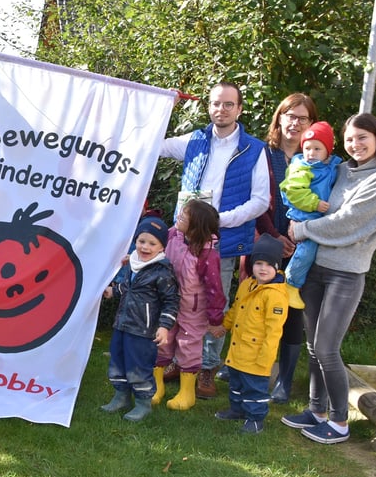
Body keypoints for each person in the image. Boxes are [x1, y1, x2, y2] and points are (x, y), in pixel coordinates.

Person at [281, 113, 376, 445]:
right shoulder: (341, 171)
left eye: (362, 137)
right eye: (350, 139)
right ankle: (316, 410)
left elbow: (348, 223)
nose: (356, 144)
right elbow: (312, 185)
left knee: (327, 348)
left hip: (345, 274)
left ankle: (339, 422)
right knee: (313, 346)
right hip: (315, 269)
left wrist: (303, 230)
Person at [159, 82, 270, 399]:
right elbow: (153, 145)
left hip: (224, 239)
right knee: (178, 300)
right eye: (215, 104)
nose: (221, 109)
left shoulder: (253, 149)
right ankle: (181, 361)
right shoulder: (194, 140)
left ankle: (206, 368)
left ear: (239, 109)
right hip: (183, 241)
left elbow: (261, 201)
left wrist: (221, 220)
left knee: (211, 304)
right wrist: (165, 105)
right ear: (208, 106)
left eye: (228, 104)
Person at [259, 93, 318, 404]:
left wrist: (298, 237)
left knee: (293, 312)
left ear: (311, 124)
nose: (295, 122)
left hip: (302, 246)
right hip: (265, 242)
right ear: (279, 118)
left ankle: (284, 381)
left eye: (303, 118)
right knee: (259, 307)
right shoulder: (262, 154)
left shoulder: (317, 160)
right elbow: (254, 200)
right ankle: (251, 370)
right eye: (290, 115)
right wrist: (273, 237)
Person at [101, 216, 180, 422]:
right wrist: (113, 291)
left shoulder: (162, 272)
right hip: (122, 324)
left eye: (152, 243)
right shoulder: (133, 263)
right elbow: (128, 288)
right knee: (118, 360)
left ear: (162, 246)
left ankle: (143, 402)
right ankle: (121, 396)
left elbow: (171, 301)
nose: (145, 247)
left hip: (143, 330)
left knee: (139, 365)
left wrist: (164, 327)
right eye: (141, 241)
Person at [153, 200, 226, 411]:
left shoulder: (207, 253)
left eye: (184, 217)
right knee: (161, 339)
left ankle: (187, 392)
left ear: (197, 226)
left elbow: (215, 289)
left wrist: (215, 320)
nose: (179, 218)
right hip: (167, 301)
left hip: (192, 309)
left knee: (188, 345)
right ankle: (156, 385)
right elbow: (155, 250)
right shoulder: (172, 235)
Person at [212, 234, 289, 434]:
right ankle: (237, 409)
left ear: (277, 268)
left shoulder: (275, 296)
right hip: (238, 350)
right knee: (236, 384)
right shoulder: (247, 285)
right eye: (259, 263)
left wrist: (266, 358)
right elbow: (237, 308)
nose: (263, 269)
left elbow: (274, 331)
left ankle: (255, 419)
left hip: (257, 356)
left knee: (255, 389)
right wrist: (225, 326)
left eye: (268, 265)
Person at [279, 121, 342, 309]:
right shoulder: (302, 166)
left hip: (317, 218)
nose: (311, 153)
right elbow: (293, 191)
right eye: (307, 148)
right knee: (307, 250)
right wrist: (314, 203)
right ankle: (290, 284)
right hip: (304, 215)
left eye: (317, 149)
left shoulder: (330, 166)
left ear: (327, 152)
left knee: (313, 252)